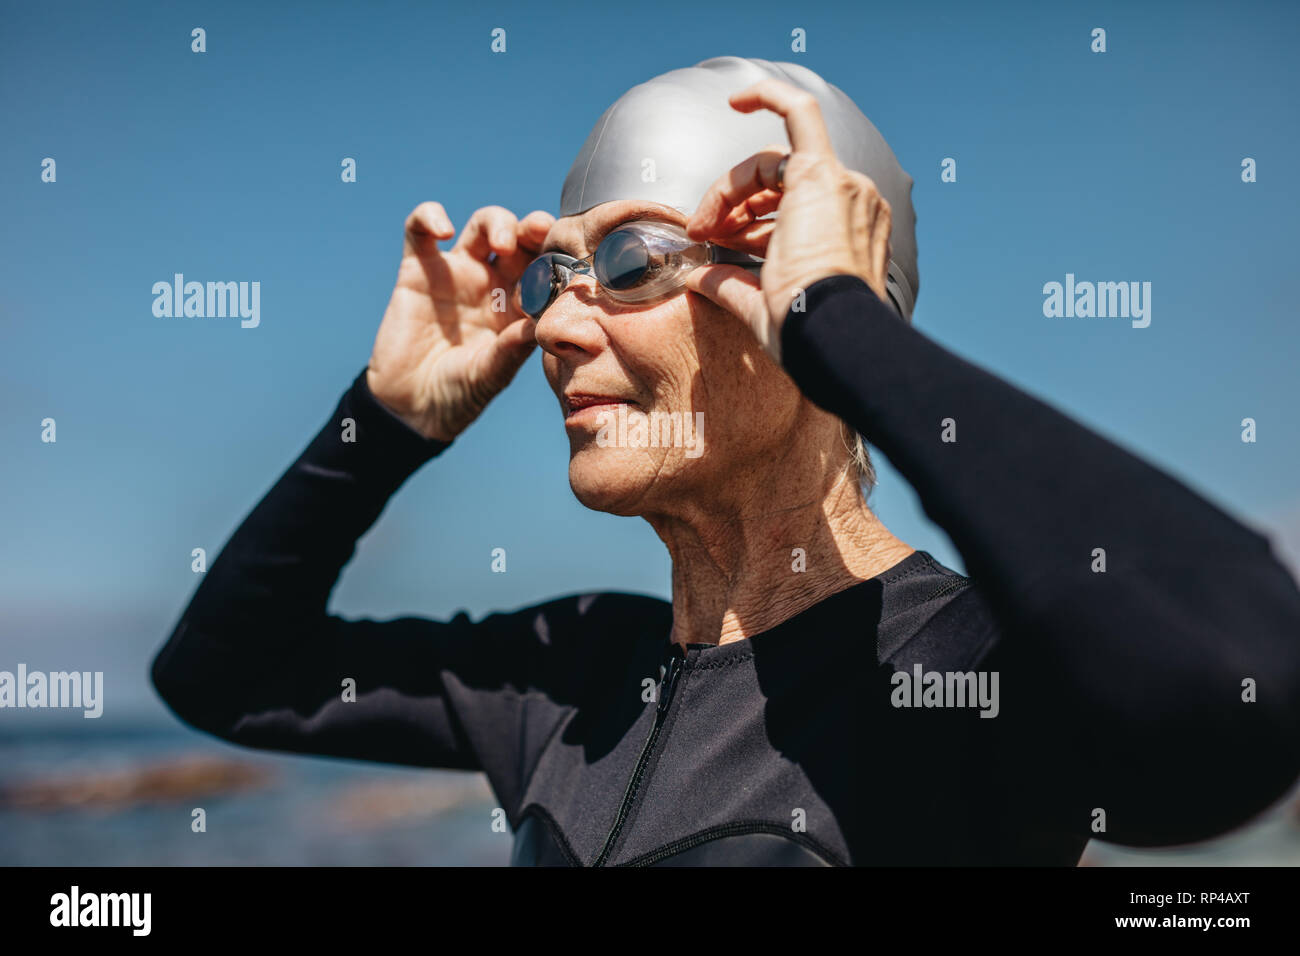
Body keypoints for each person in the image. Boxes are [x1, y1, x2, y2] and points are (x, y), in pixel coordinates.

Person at [150, 56, 1300, 866]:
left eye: (634, 259)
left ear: (787, 286)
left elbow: (1233, 694)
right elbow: (223, 675)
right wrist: (385, 421)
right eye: (555, 273)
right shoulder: (571, 680)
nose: (552, 329)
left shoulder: (954, 676)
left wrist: (844, 325)